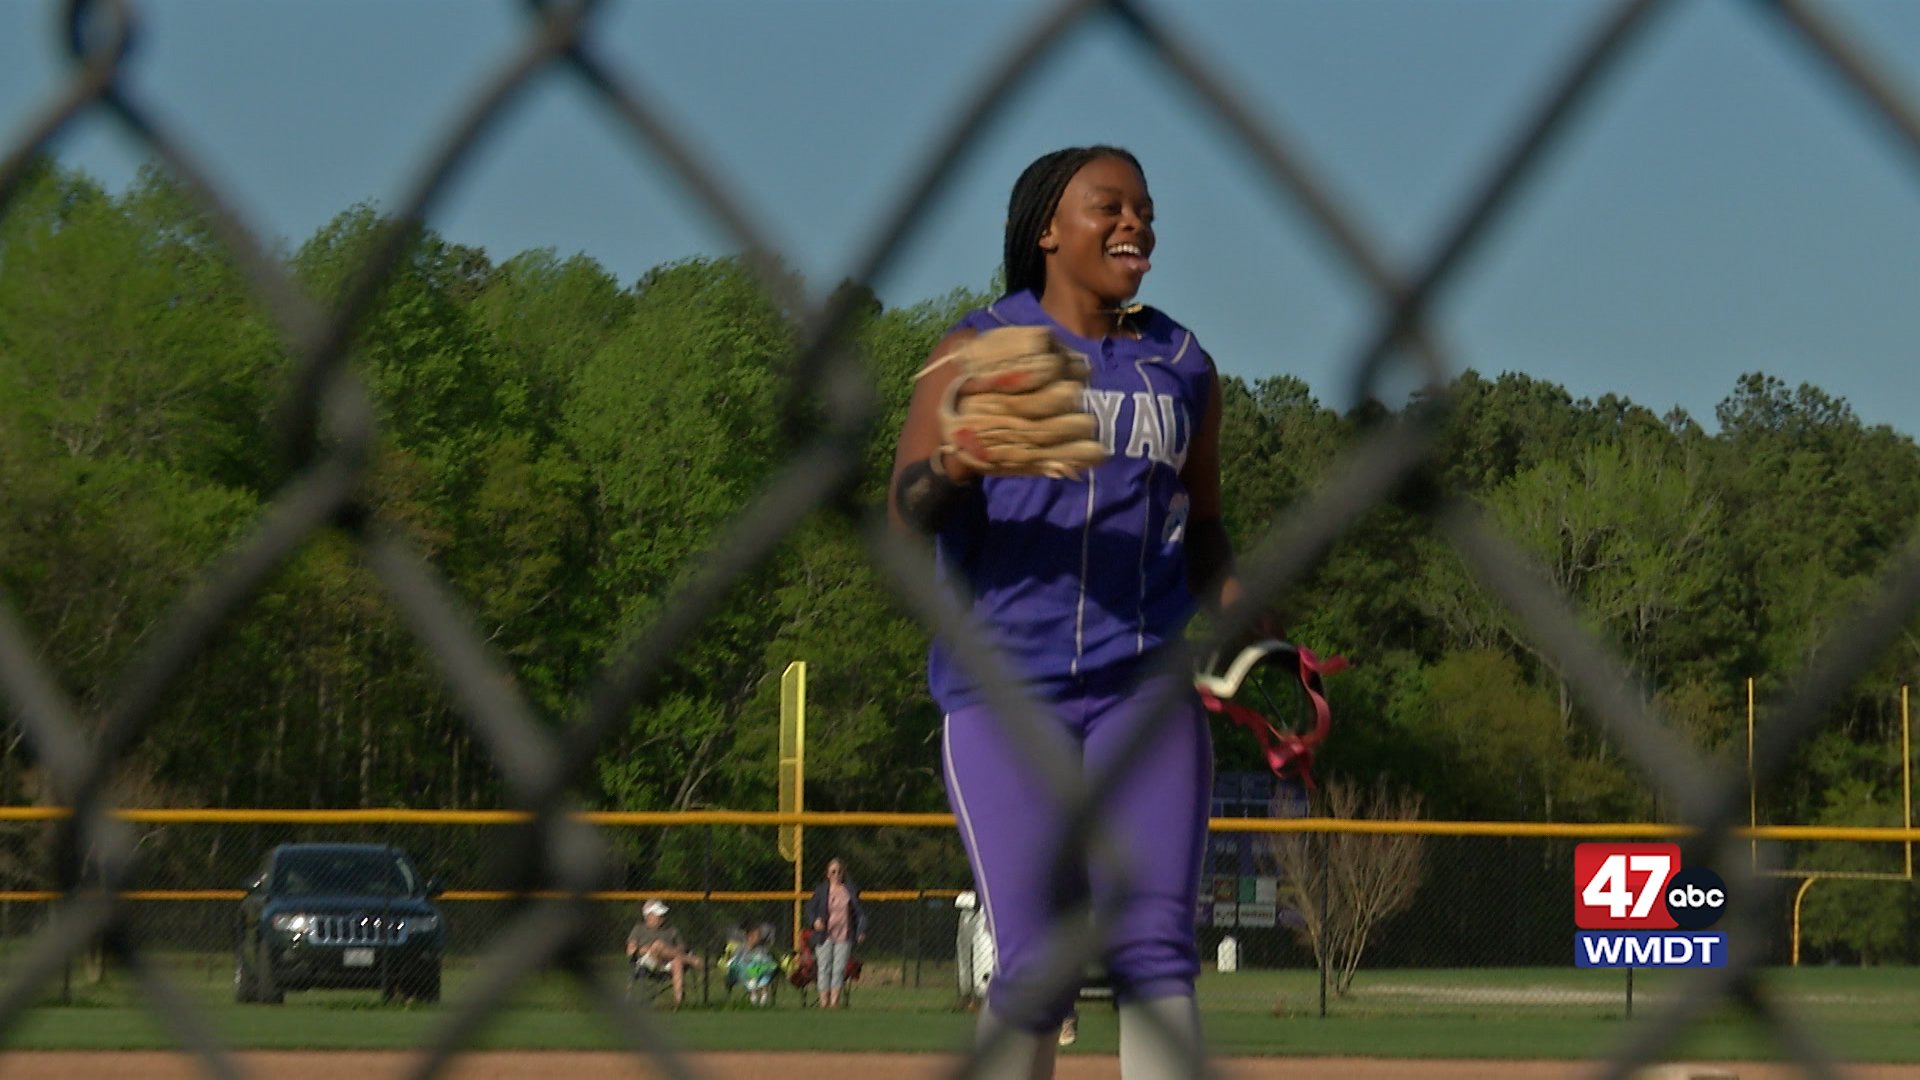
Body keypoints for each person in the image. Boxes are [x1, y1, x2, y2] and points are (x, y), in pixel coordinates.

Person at [889, 145, 1276, 1078]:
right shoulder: (973, 349)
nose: (1136, 222)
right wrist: (960, 461)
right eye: (1110, 206)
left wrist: (1251, 624)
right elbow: (905, 513)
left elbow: (1208, 528)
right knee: (1035, 962)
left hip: (1141, 684)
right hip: (1003, 694)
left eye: (1144, 207)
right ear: (1048, 231)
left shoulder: (1181, 364)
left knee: (1155, 952)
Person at [803, 857, 867, 1008]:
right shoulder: (821, 891)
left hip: (844, 934)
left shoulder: (849, 890)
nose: (836, 874)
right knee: (824, 967)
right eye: (833, 872)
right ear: (827, 874)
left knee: (839, 968)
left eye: (839, 871)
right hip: (824, 934)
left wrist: (861, 930)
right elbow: (809, 909)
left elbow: (860, 914)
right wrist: (815, 921)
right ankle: (823, 1002)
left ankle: (834, 1003)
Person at [625, 899, 701, 1006]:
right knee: (658, 945)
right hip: (648, 962)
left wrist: (667, 951)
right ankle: (690, 960)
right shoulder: (639, 929)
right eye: (659, 915)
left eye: (662, 914)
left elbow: (682, 948)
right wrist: (649, 949)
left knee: (677, 961)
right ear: (648, 916)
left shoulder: (671, 930)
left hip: (667, 963)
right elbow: (630, 950)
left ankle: (679, 1003)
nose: (662, 917)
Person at [723, 920, 781, 1006]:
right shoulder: (742, 947)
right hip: (746, 970)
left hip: (759, 968)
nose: (755, 938)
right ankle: (753, 996)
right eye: (753, 935)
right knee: (746, 968)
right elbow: (735, 960)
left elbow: (767, 960)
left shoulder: (762, 949)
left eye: (757, 936)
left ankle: (763, 998)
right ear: (748, 936)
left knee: (766, 967)